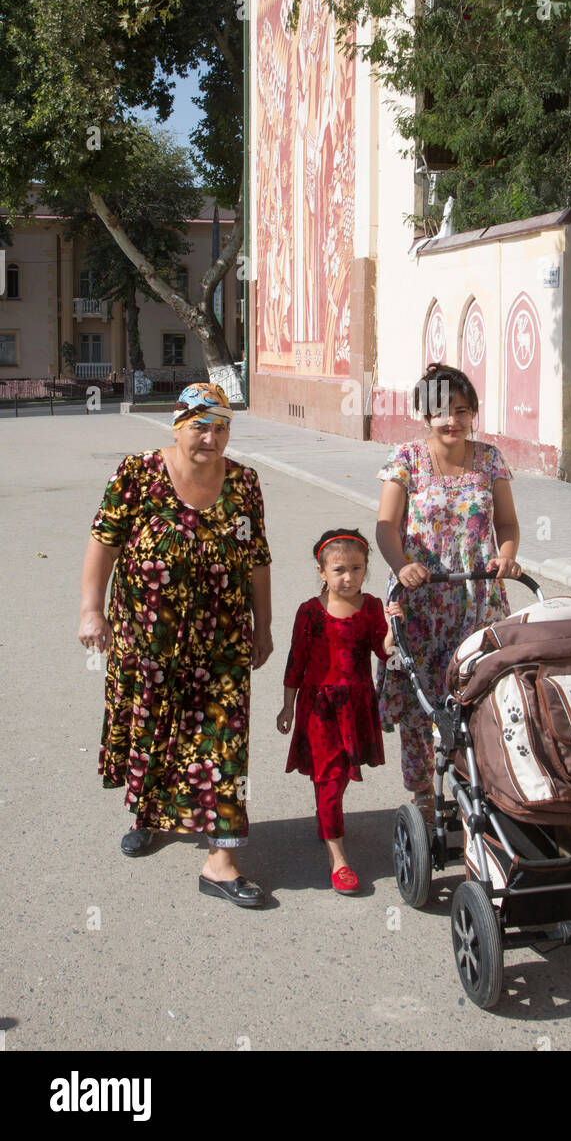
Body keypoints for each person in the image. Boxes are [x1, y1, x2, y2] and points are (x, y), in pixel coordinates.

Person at [78, 382, 273, 909]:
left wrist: (265, 624)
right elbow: (105, 542)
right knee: (155, 728)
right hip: (147, 637)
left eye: (222, 427)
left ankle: (222, 860)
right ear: (178, 425)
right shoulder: (137, 473)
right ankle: (149, 814)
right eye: (200, 426)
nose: (211, 437)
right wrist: (91, 610)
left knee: (222, 741)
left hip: (223, 639)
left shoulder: (245, 483)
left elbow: (257, 557)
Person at [375, 362, 521, 819]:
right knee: (424, 709)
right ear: (425, 415)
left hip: (480, 600)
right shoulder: (406, 461)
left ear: (474, 412)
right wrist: (403, 567)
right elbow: (385, 529)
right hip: (423, 602)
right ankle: (424, 796)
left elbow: (507, 523)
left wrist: (508, 555)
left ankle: (481, 785)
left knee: (483, 698)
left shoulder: (490, 458)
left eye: (461, 410)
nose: (451, 421)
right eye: (441, 411)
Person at [276, 528, 399, 895]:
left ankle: (325, 817)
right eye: (339, 570)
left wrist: (392, 628)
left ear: (366, 570)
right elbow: (296, 661)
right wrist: (287, 706)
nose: (348, 578)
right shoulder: (309, 612)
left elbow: (384, 652)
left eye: (357, 569)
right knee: (328, 779)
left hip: (357, 705)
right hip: (318, 708)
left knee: (341, 776)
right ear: (322, 571)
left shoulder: (373, 607)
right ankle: (339, 859)